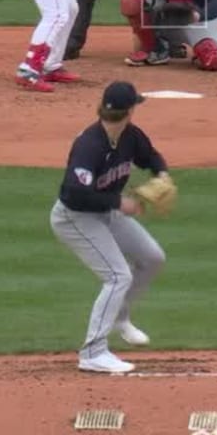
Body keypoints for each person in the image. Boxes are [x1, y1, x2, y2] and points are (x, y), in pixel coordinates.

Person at [48, 80, 170, 374]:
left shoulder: (130, 136)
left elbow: (150, 156)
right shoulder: (89, 146)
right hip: (74, 218)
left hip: (105, 212)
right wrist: (119, 202)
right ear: (129, 111)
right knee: (117, 276)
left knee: (152, 257)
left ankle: (119, 317)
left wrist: (162, 175)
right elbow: (75, 194)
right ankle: (92, 352)